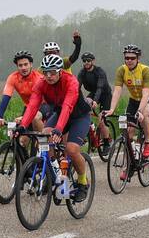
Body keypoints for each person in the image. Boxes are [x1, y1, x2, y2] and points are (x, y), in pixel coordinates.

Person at [16, 54, 92, 202]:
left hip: (79, 117)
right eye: (46, 72)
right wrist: (23, 126)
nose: (49, 76)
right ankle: (55, 172)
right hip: (60, 114)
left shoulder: (71, 82)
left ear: (60, 71)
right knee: (44, 136)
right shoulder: (41, 83)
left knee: (71, 149)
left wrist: (58, 128)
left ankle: (83, 182)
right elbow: (32, 106)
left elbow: (67, 106)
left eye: (53, 72)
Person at [108, 45, 149, 162]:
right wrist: (111, 109)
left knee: (145, 113)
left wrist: (140, 111)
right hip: (134, 100)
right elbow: (117, 91)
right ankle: (130, 162)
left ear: (138, 59)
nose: (129, 60)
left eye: (132, 58)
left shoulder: (146, 70)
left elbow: (146, 94)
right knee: (128, 133)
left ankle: (148, 141)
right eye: (127, 58)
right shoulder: (121, 70)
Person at [78, 52, 112, 150]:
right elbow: (77, 88)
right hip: (93, 93)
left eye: (88, 60)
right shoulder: (82, 72)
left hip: (105, 94)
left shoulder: (99, 71)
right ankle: (90, 130)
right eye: (84, 61)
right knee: (83, 108)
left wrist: (96, 101)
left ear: (93, 61)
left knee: (101, 118)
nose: (86, 63)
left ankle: (106, 143)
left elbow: (100, 88)